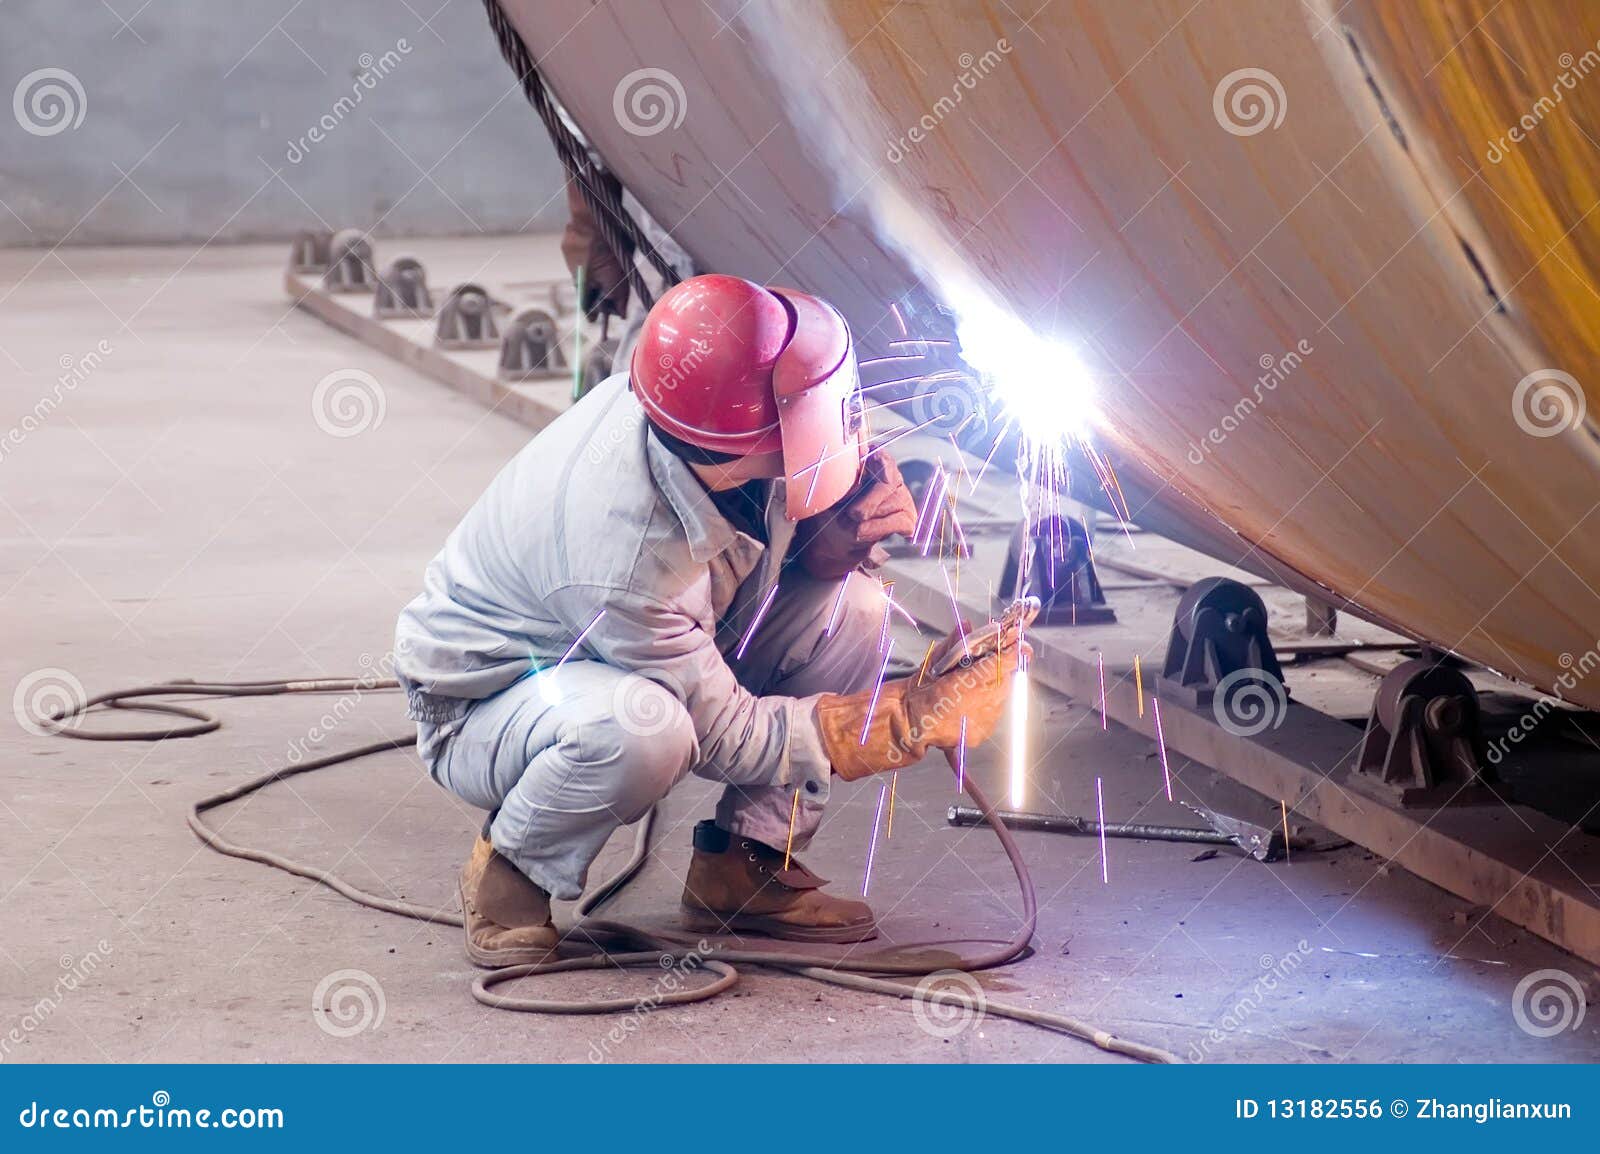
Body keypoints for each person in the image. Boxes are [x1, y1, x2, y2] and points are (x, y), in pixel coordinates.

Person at [395, 273, 1022, 967]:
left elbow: (757, 514)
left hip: (626, 643)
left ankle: (745, 865)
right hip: (494, 701)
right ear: (761, 439)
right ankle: (511, 869)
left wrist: (819, 541)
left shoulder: (704, 416)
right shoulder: (626, 554)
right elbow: (721, 734)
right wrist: (888, 722)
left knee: (855, 609)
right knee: (645, 729)